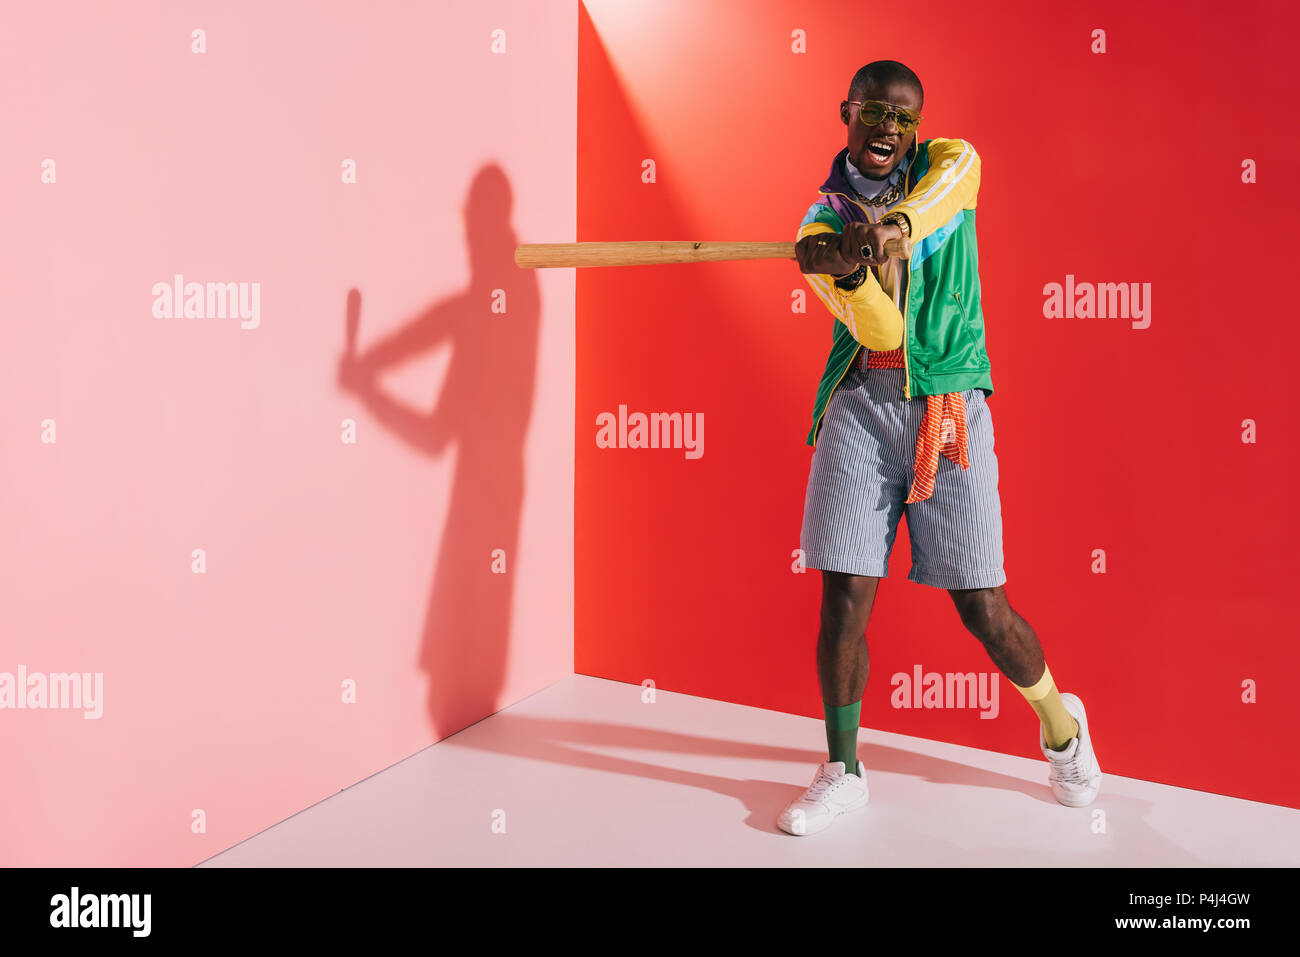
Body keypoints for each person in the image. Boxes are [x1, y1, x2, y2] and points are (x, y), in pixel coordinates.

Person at [777, 60, 1101, 837]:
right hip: (862, 401)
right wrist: (844, 270)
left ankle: (1062, 726)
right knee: (844, 595)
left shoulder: (952, 164)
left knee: (982, 607)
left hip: (950, 402)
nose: (888, 128)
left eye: (902, 117)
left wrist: (889, 232)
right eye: (873, 113)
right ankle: (842, 770)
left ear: (916, 125)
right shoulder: (820, 220)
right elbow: (883, 333)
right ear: (846, 112)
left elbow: (941, 196)